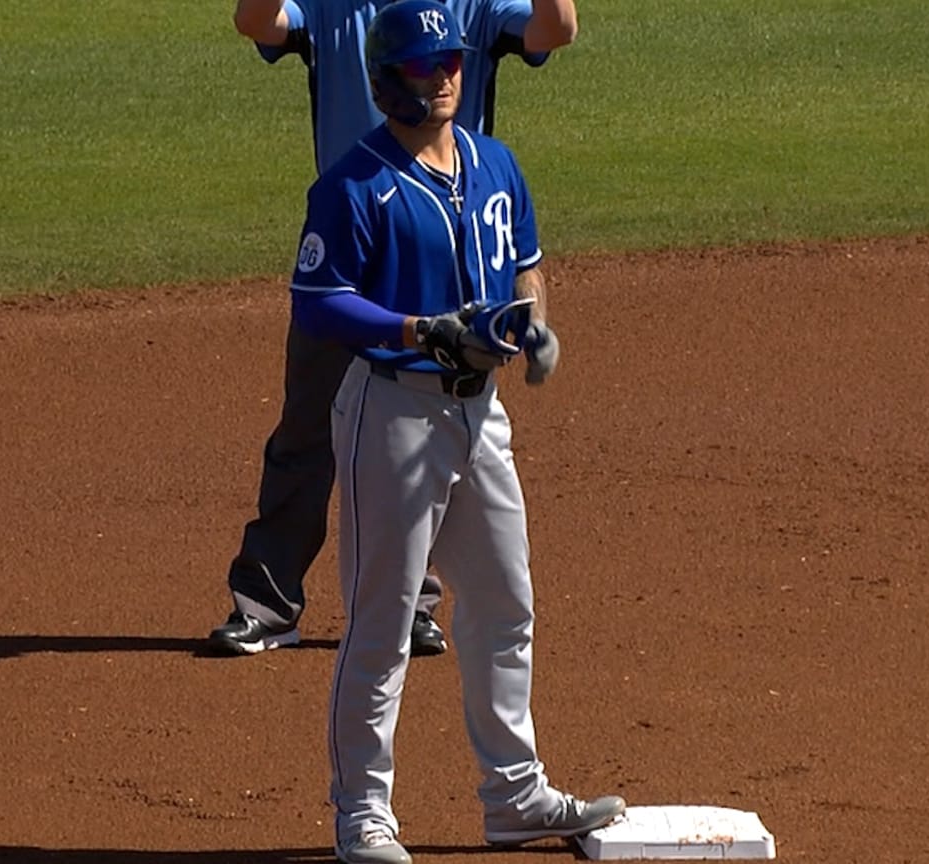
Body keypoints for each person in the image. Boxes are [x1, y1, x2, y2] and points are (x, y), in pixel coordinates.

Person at [287, 3, 623, 861]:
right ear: (383, 77)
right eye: (419, 65)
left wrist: (539, 329)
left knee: (506, 605)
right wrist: (421, 330)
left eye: (448, 62)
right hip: (390, 414)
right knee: (381, 619)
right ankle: (362, 812)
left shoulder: (495, 164)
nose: (439, 77)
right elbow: (319, 304)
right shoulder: (353, 185)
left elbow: (527, 266)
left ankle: (513, 795)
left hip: (483, 417)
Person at [211, 0, 579, 658]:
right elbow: (256, 23)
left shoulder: (478, 5)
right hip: (352, 243)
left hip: (438, 249)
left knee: (427, 434)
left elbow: (556, 31)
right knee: (306, 430)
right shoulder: (330, 8)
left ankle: (413, 604)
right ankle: (269, 602)